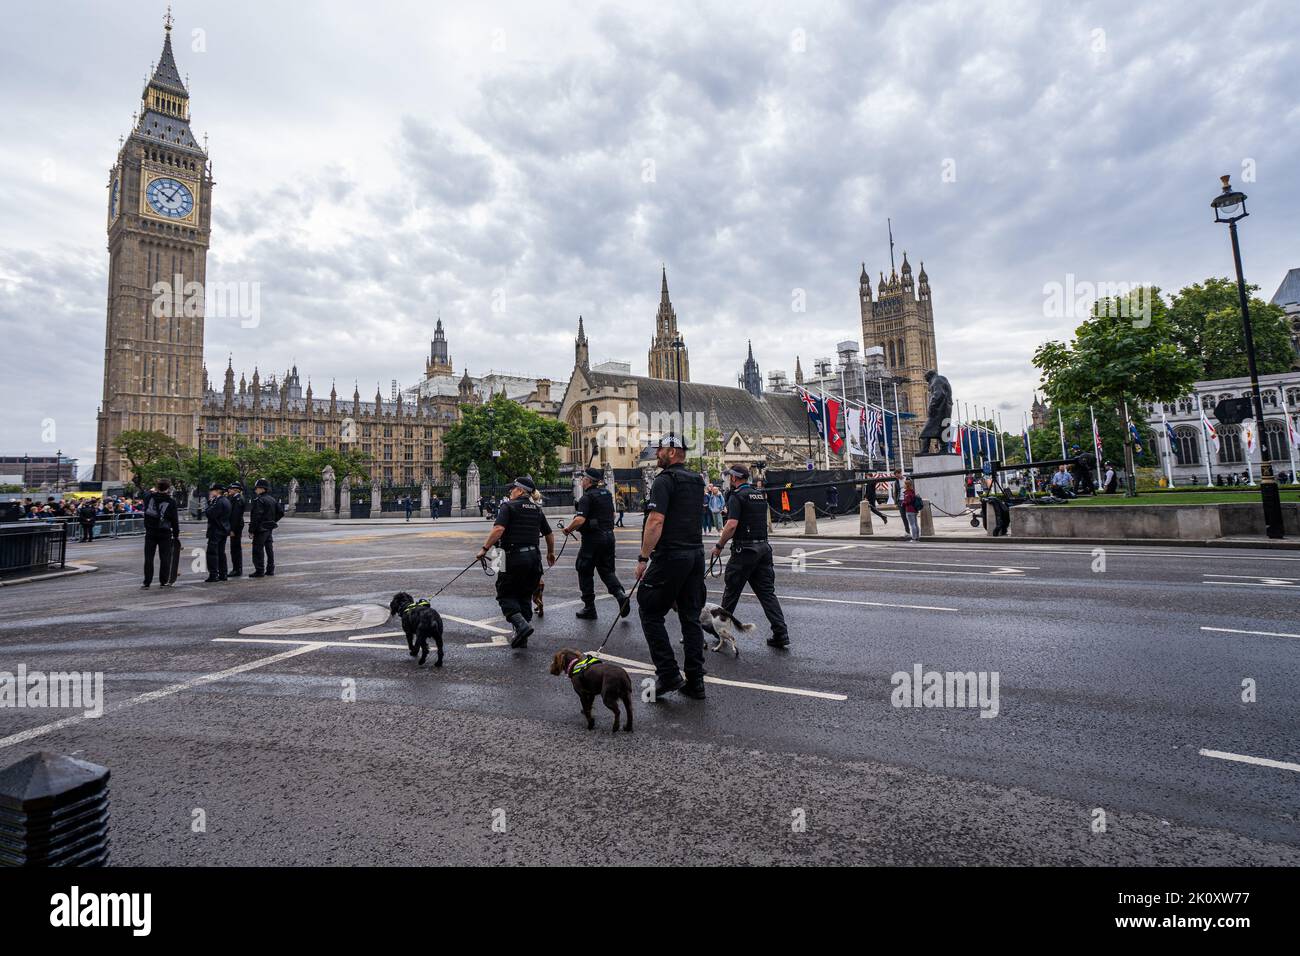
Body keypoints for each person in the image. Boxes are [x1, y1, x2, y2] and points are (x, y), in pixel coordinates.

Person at [636, 434, 708, 700]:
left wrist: (643, 558)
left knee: (649, 609)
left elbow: (655, 520)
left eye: (661, 450)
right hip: (695, 554)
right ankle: (696, 681)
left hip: (671, 556)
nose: (657, 454)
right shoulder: (696, 480)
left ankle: (668, 674)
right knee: (690, 617)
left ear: (673, 451)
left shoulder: (664, 481)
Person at [711, 464, 789, 648]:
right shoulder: (758, 494)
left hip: (744, 551)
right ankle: (781, 633)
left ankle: (721, 632)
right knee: (767, 594)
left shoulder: (737, 496)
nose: (729, 480)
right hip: (763, 549)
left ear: (735, 478)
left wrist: (719, 546)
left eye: (730, 477)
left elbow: (731, 525)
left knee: (731, 593)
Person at [477, 476, 556, 648]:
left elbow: (498, 529)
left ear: (520, 490)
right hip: (534, 558)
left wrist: (484, 549)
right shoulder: (536, 509)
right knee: (525, 596)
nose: (510, 491)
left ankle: (521, 625)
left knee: (505, 594)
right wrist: (550, 553)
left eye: (513, 488)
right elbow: (549, 534)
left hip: (511, 556)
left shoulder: (508, 506)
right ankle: (522, 637)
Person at [561, 468, 630, 621]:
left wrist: (568, 529)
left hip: (593, 540)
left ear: (589, 481)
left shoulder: (586, 498)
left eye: (583, 478)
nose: (581, 480)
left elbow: (580, 520)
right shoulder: (607, 494)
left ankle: (589, 608)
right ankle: (620, 595)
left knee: (584, 569)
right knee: (607, 571)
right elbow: (612, 514)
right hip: (609, 537)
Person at [141, 479, 180, 589]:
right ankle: (163, 581)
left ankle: (147, 582)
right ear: (168, 488)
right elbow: (174, 520)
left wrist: (152, 490)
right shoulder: (171, 502)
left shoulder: (149, 497)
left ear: (157, 487)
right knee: (165, 558)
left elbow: (144, 493)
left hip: (150, 532)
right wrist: (176, 534)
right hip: (164, 532)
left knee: (148, 558)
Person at [249, 478, 281, 577]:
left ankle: (259, 570)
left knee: (258, 550)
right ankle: (270, 569)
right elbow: (280, 513)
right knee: (269, 549)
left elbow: (256, 517)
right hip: (269, 528)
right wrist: (272, 521)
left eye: (257, 488)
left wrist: (251, 530)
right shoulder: (272, 499)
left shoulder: (259, 500)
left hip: (260, 529)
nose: (255, 490)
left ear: (262, 489)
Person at [204, 483, 232, 583]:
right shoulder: (226, 501)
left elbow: (210, 514)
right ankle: (223, 574)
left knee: (212, 553)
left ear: (217, 491)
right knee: (221, 553)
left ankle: (213, 574)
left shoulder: (218, 502)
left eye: (213, 490)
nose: (211, 492)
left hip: (216, 529)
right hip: (224, 529)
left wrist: (209, 504)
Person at [226, 482, 246, 577]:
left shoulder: (238, 499)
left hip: (236, 527)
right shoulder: (233, 498)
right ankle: (236, 569)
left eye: (231, 489)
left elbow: (235, 516)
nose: (229, 490)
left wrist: (232, 529)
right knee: (234, 548)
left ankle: (237, 570)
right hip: (235, 526)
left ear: (237, 490)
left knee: (235, 549)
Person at [901, 478, 922, 542]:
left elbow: (908, 501)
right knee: (915, 524)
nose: (903, 486)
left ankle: (914, 538)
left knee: (912, 524)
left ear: (907, 485)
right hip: (914, 510)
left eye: (904, 484)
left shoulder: (907, 492)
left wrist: (903, 503)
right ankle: (917, 537)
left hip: (909, 510)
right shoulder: (913, 491)